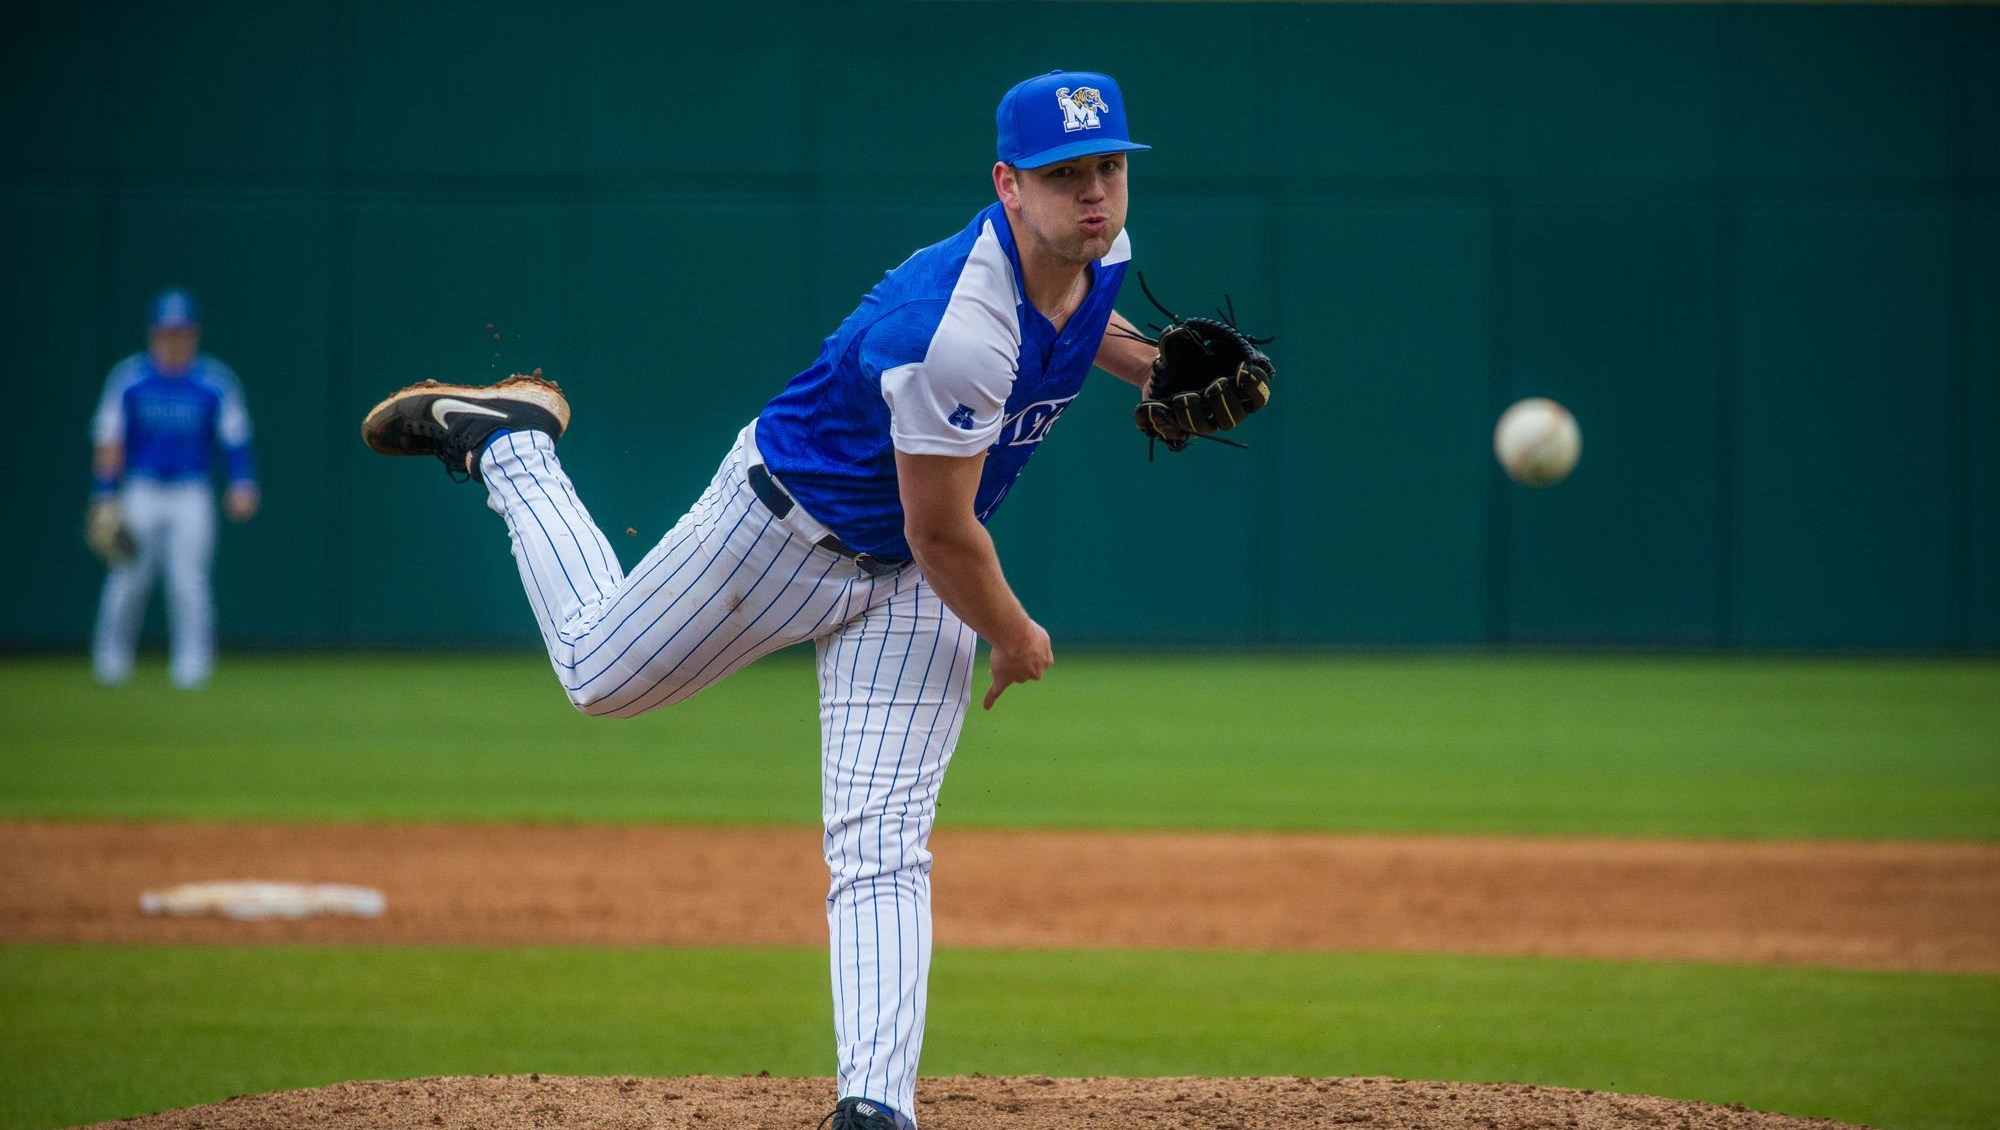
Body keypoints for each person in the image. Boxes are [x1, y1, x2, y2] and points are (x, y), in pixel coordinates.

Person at [364, 70, 1262, 1130]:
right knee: (597, 675)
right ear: (1007, 185)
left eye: (1108, 166)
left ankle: (875, 1104)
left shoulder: (1097, 252)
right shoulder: (955, 327)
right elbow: (942, 534)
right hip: (781, 532)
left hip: (910, 583)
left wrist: (1149, 367)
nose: (1096, 192)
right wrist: (1015, 635)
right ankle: (512, 446)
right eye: (1065, 174)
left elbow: (1080, 324)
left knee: (882, 839)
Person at [89, 288, 260, 689]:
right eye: (167, 331)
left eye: (181, 332)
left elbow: (235, 438)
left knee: (189, 581)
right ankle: (111, 660)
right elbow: (110, 441)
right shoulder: (129, 379)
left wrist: (243, 483)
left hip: (191, 490)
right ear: (154, 333)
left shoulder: (213, 382)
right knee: (127, 578)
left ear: (193, 334)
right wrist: (104, 494)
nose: (174, 339)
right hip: (141, 488)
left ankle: (192, 665)